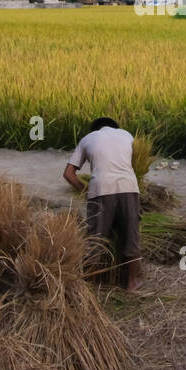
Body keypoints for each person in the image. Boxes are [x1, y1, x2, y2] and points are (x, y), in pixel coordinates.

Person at [63, 117, 143, 291]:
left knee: (95, 240)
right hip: (129, 187)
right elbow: (136, 163)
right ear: (115, 128)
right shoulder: (127, 135)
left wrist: (84, 189)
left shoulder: (88, 138)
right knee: (132, 237)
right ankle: (132, 283)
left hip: (100, 189)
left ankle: (86, 285)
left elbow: (68, 174)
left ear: (95, 129)